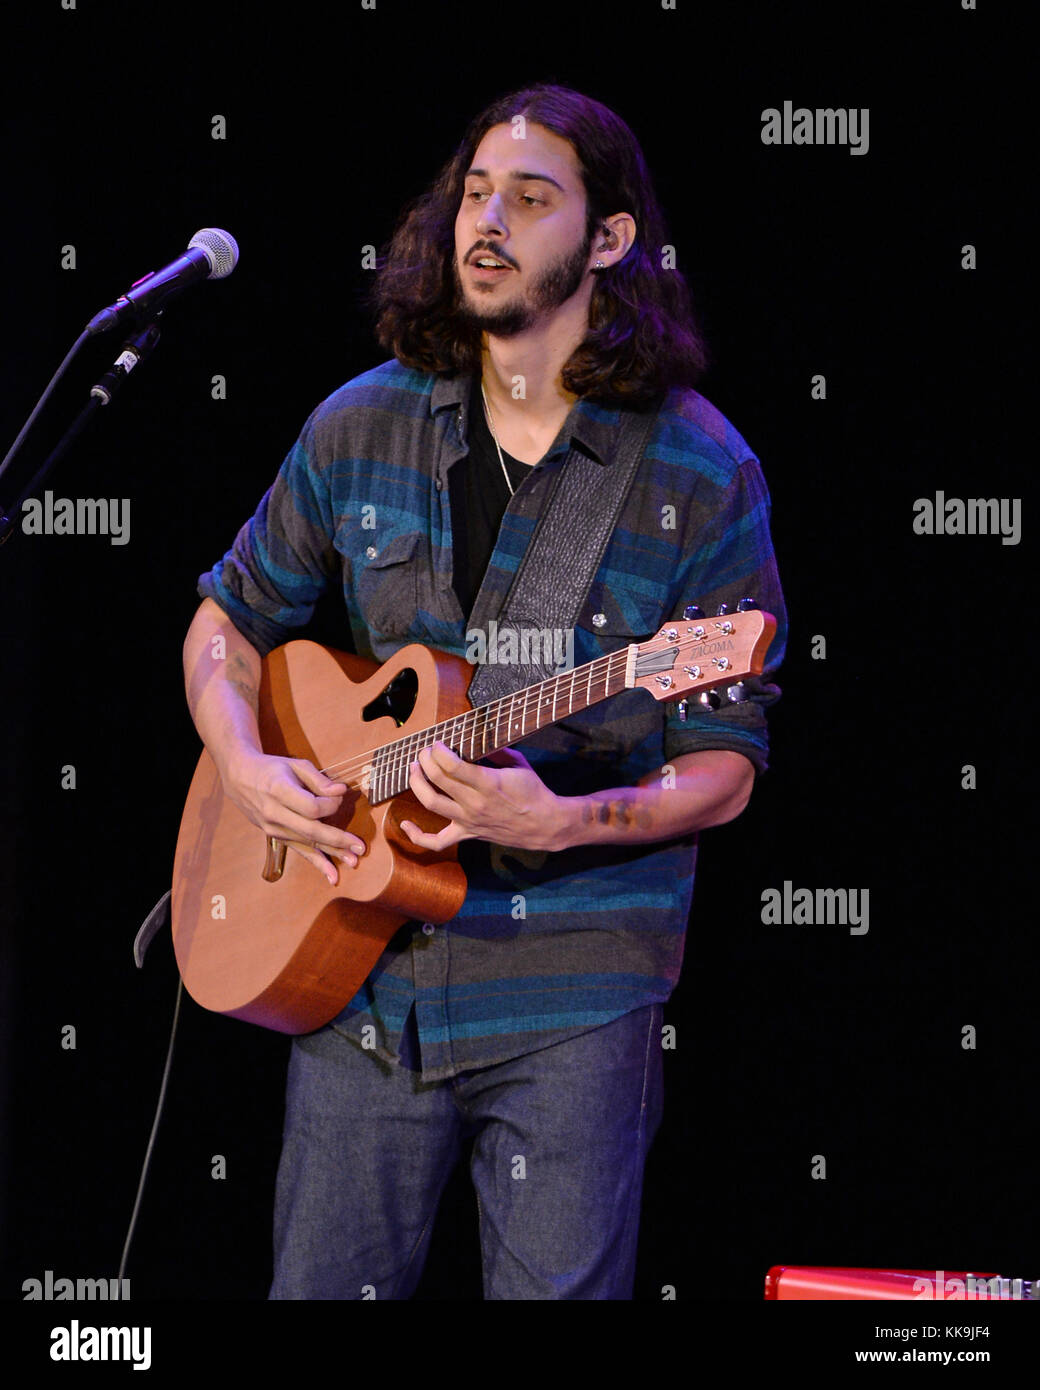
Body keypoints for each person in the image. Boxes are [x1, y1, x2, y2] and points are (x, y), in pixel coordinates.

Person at [182, 82, 787, 1300]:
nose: (486, 221)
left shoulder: (696, 466)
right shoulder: (361, 424)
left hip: (573, 992)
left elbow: (722, 761)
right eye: (473, 193)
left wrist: (561, 819)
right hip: (361, 985)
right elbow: (226, 623)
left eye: (529, 196)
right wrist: (246, 761)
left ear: (608, 239)